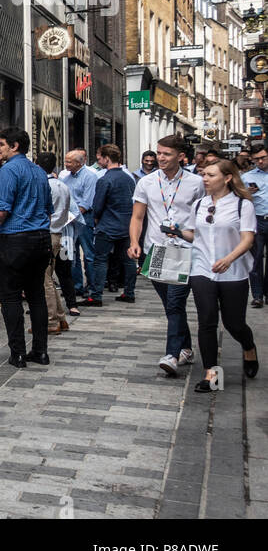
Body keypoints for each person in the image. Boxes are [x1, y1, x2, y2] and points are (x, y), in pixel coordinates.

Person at [0, 127, 53, 368]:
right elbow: (48, 208)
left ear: (15, 146)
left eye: (2, 144)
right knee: (36, 295)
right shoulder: (39, 172)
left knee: (10, 297)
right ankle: (41, 351)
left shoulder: (8, 172)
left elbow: (1, 210)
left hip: (15, 239)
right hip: (41, 238)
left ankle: (17, 352)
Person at [180, 158, 258, 393]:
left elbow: (247, 238)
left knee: (234, 323)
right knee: (207, 321)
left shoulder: (242, 206)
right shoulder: (199, 205)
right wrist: (175, 231)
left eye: (211, 175)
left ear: (227, 178)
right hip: (202, 269)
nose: (205, 179)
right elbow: (195, 236)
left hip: (233, 271)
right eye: (203, 175)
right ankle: (212, 375)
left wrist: (229, 259)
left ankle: (249, 346)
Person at [128, 134, 203, 376]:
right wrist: (134, 242)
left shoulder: (196, 183)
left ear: (181, 156)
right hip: (156, 250)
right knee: (171, 306)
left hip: (184, 251)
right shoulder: (147, 182)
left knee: (175, 302)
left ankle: (171, 355)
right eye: (159, 152)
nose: (160, 157)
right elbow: (137, 216)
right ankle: (187, 348)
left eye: (166, 154)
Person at [91, 144, 138, 304]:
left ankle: (96, 295)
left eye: (100, 158)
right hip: (126, 225)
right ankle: (129, 292)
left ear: (107, 158)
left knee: (100, 260)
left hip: (107, 225)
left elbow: (97, 206)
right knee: (128, 260)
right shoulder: (129, 178)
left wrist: (96, 220)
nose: (98, 162)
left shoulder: (105, 180)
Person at [60, 148, 100, 306]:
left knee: (88, 254)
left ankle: (92, 287)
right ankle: (76, 286)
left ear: (78, 163)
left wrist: (71, 216)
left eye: (69, 162)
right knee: (71, 253)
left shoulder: (90, 176)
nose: (66, 164)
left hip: (84, 218)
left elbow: (87, 202)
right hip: (68, 219)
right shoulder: (66, 177)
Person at [41, 152, 75, 334]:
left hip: (47, 234)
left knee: (44, 279)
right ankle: (60, 317)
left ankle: (51, 321)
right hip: (57, 233)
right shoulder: (63, 185)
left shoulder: (45, 186)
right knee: (48, 278)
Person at [241, 145, 268, 308]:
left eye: (263, 158)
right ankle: (257, 295)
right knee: (256, 259)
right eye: (256, 159)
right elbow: (239, 198)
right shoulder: (247, 177)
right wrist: (247, 193)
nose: (260, 161)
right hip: (256, 219)